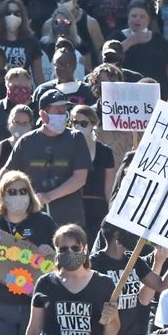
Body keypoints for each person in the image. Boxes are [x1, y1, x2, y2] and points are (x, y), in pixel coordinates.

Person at [0, 90, 90, 228]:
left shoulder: (76, 138)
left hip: (69, 218)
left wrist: (49, 196)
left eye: (64, 110)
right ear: (43, 115)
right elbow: (7, 172)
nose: (62, 114)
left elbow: (80, 178)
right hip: (33, 218)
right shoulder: (26, 141)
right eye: (57, 110)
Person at [0, 172, 56, 335]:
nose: (18, 196)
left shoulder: (44, 222)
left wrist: (52, 251)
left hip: (33, 305)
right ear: (2, 194)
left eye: (23, 191)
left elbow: (61, 255)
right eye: (12, 192)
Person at [92, 223, 168, 335]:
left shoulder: (133, 260)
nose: (136, 237)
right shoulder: (95, 262)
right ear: (117, 235)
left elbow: (161, 286)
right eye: (131, 232)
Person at [112, 0, 168, 96]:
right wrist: (129, 42)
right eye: (134, 16)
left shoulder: (158, 40)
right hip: (126, 93)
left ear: (148, 20)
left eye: (142, 17)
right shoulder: (117, 37)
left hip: (157, 92)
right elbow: (105, 60)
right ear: (128, 18)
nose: (137, 19)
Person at [69, 105, 115, 245]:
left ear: (93, 124)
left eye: (83, 123)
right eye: (75, 123)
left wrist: (111, 213)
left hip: (97, 209)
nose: (78, 127)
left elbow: (109, 188)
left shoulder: (105, 152)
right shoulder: (66, 150)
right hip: (73, 206)